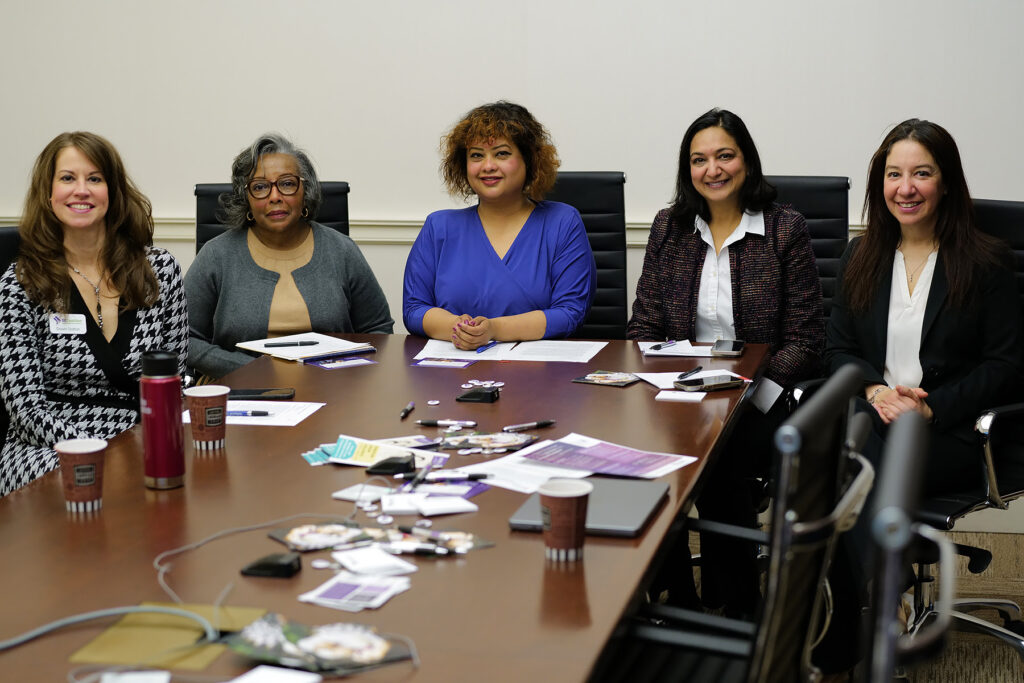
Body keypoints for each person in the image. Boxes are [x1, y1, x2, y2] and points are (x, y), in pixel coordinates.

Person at [627, 108, 825, 615]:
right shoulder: (670, 229)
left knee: (722, 468)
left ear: (746, 161)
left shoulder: (785, 229)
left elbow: (805, 337)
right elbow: (644, 327)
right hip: (680, 399)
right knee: (642, 467)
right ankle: (674, 600)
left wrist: (749, 398)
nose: (712, 169)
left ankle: (734, 607)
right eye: (699, 160)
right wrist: (664, 394)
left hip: (759, 399)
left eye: (724, 156)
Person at [827, 118, 1023, 496]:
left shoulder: (986, 261)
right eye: (894, 174)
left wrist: (929, 409)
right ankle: (883, 551)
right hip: (873, 416)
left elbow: (1006, 366)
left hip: (948, 432)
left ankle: (846, 553)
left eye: (921, 173)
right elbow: (838, 350)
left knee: (848, 468)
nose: (905, 188)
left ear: (946, 182)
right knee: (854, 442)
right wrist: (877, 393)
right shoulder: (859, 256)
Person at [0, 131, 188, 498]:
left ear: (112, 191)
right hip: (46, 447)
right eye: (68, 178)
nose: (81, 190)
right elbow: (25, 410)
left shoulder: (159, 272)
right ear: (48, 192)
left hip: (140, 437)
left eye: (95, 178)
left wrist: (134, 446)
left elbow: (174, 381)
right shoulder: (21, 282)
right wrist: (98, 450)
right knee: (85, 486)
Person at [185, 133, 393, 379]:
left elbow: (379, 331)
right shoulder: (216, 255)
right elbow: (185, 339)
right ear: (246, 198)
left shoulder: (342, 251)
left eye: (286, 183)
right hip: (239, 393)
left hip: (332, 392)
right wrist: (248, 370)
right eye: (260, 187)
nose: (275, 196)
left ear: (305, 190)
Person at [403, 101, 596, 349]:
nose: (488, 166)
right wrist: (459, 329)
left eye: (502, 153)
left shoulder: (562, 222)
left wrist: (493, 330)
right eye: (476, 155)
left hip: (538, 374)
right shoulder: (439, 226)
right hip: (450, 370)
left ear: (530, 160)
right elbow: (414, 309)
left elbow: (570, 313)